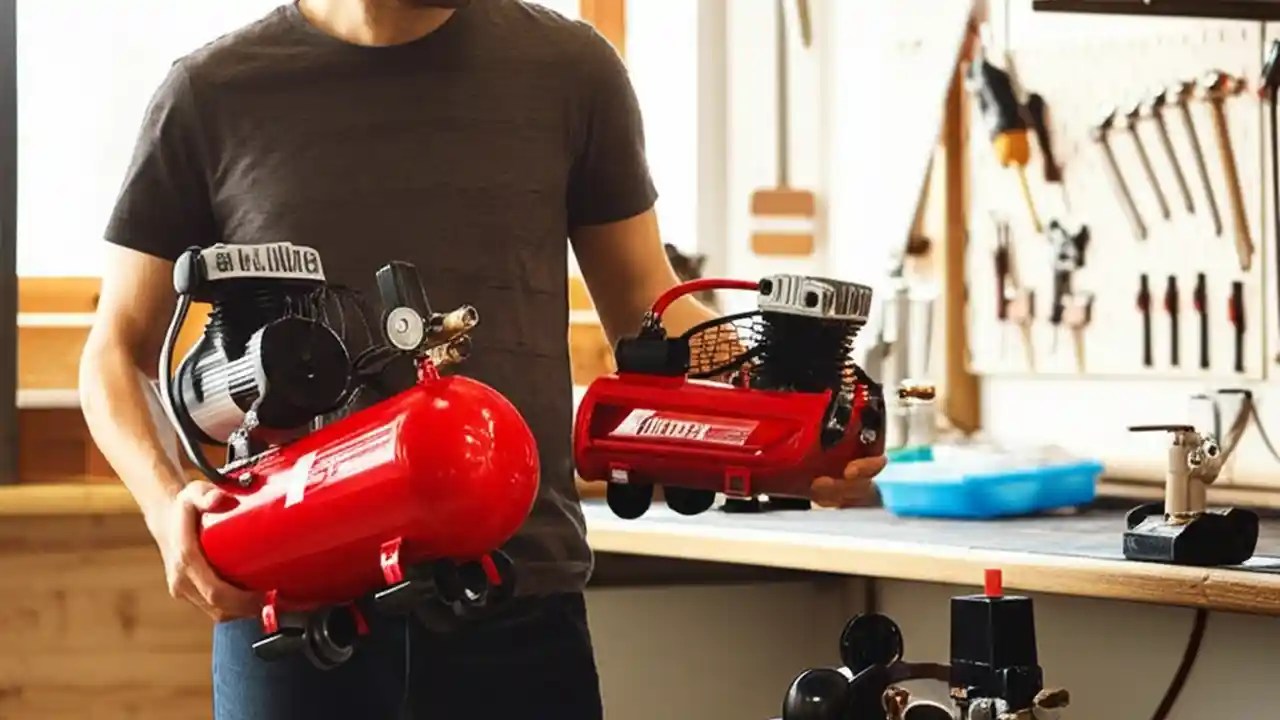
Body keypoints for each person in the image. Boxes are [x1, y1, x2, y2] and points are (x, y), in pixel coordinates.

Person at [78, 1, 888, 718]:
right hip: (295, 611)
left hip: (517, 601)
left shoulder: (570, 70)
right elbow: (116, 350)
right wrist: (166, 500)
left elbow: (647, 299)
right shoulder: (210, 94)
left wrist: (786, 412)